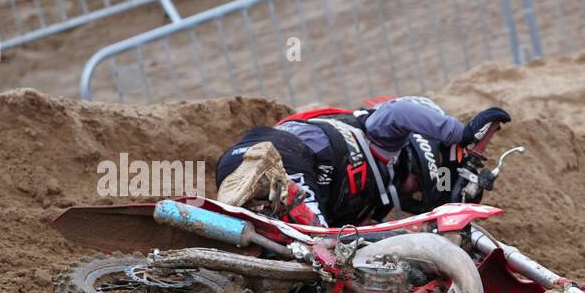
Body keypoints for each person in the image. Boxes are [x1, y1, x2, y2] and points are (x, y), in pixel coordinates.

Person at [214, 96, 511, 227]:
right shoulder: (383, 139)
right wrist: (461, 132)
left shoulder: (371, 209)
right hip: (278, 152)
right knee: (319, 242)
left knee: (314, 256)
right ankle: (270, 184)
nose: (414, 193)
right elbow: (400, 110)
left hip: (242, 166)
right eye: (419, 187)